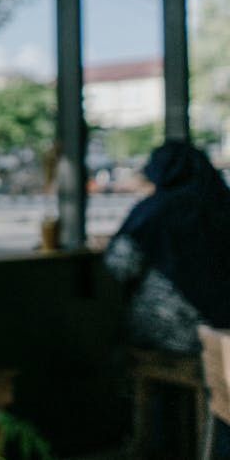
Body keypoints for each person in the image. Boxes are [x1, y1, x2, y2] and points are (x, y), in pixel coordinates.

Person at [103, 140, 230, 456]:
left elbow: (119, 266)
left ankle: (157, 446)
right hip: (224, 330)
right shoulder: (224, 203)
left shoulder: (154, 209)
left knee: (125, 340)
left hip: (175, 336)